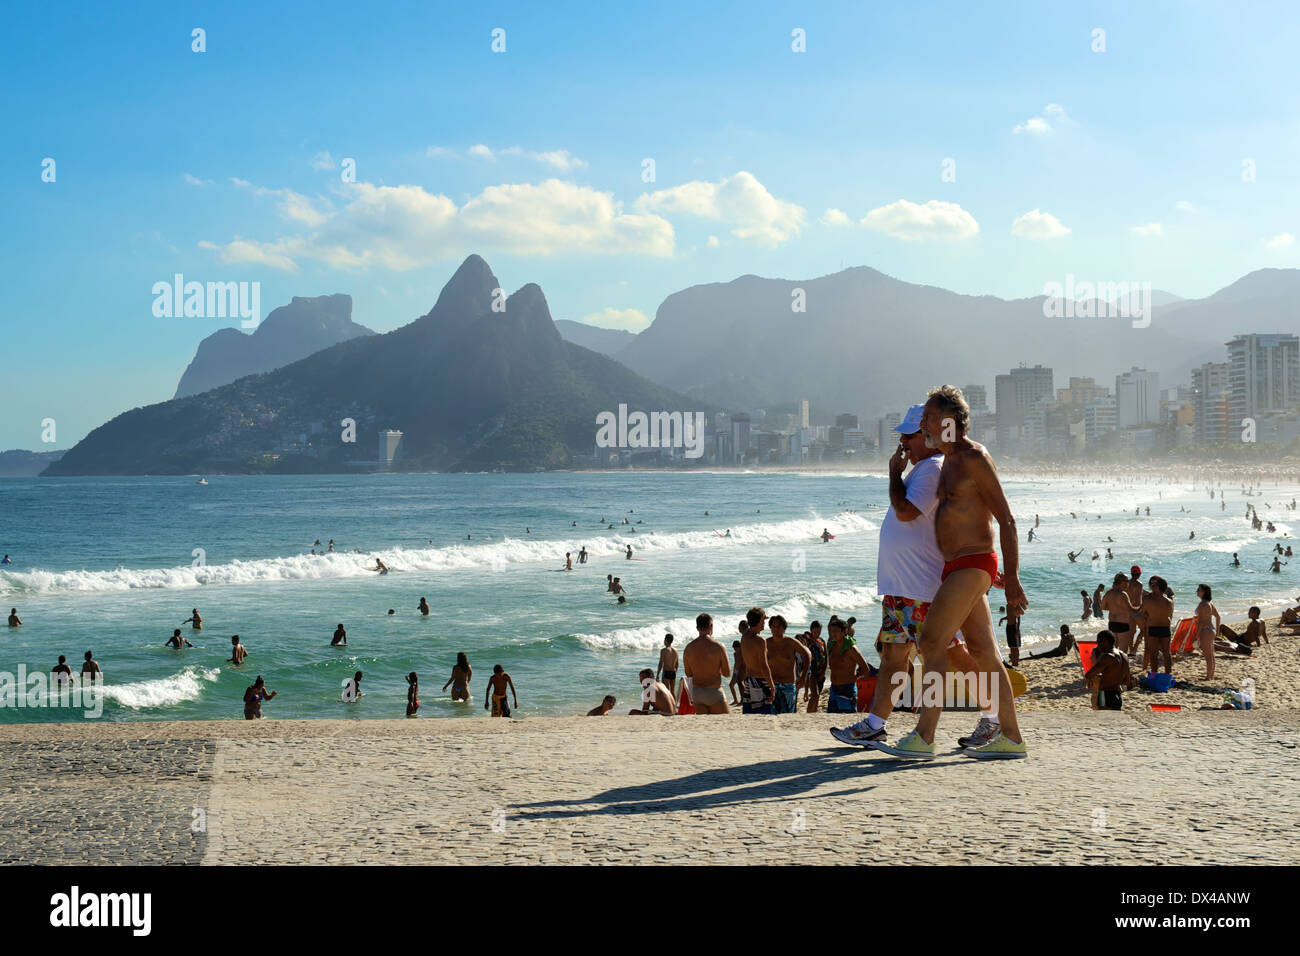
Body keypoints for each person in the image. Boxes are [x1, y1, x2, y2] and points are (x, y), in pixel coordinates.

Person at [872, 385, 1027, 760]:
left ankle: (924, 737)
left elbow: (1005, 518)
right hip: (958, 567)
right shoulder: (947, 459)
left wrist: (1012, 577)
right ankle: (1012, 738)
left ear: (949, 421)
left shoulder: (973, 457)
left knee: (930, 643)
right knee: (984, 654)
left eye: (927, 416)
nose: (922, 422)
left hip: (973, 564)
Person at [832, 406, 961, 743]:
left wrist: (893, 473)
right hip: (901, 588)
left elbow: (905, 512)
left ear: (930, 437)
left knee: (952, 656)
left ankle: (992, 715)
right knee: (893, 657)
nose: (902, 441)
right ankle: (875, 725)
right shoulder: (921, 470)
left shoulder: (932, 468)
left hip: (920, 587)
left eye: (909, 434)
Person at [683, 612, 731, 714]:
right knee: (725, 724)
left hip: (697, 692)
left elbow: (689, 674)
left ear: (697, 628)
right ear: (711, 626)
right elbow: (727, 673)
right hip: (714, 691)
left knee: (704, 727)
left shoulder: (688, 648)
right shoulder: (719, 647)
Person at [825, 618, 872, 714]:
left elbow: (865, 668)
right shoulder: (831, 646)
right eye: (831, 631)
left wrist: (855, 677)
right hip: (834, 688)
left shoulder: (851, 649)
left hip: (847, 689)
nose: (833, 633)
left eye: (836, 631)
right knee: (832, 719)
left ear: (844, 632)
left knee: (846, 720)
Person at [765, 614, 809, 714]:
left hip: (788, 685)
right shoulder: (766, 644)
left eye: (778, 626)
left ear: (784, 628)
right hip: (772, 685)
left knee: (788, 716)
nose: (775, 629)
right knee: (771, 716)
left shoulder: (791, 642)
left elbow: (807, 656)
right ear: (770, 628)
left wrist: (803, 677)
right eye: (773, 626)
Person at [1083, 630, 1133, 710]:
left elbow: (1089, 674)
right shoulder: (1124, 656)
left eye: (1099, 642)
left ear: (1105, 642)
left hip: (1105, 694)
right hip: (1117, 695)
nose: (1098, 645)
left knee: (1103, 721)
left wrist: (1091, 682)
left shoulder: (1108, 657)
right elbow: (1127, 681)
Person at [739, 607, 775, 714]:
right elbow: (764, 666)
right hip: (760, 682)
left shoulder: (744, 637)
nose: (764, 623)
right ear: (759, 621)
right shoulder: (760, 640)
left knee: (749, 715)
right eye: (763, 621)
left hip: (749, 680)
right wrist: (772, 686)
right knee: (763, 715)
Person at [1140, 575, 1174, 675]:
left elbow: (1143, 613)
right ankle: (1168, 674)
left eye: (1154, 585)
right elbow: (1169, 614)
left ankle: (1154, 674)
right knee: (1166, 653)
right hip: (1165, 627)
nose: (1152, 586)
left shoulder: (1148, 600)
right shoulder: (1169, 601)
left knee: (1153, 653)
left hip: (1153, 627)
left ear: (1158, 587)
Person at [1101, 572, 1139, 655]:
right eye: (1126, 581)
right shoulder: (1123, 594)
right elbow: (1131, 610)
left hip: (1112, 623)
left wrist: (1114, 608)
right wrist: (1141, 607)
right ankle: (1121, 667)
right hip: (1122, 624)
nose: (1128, 583)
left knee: (1112, 650)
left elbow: (1102, 607)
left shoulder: (1109, 593)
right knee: (1123, 652)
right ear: (1120, 582)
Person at [1194, 584, 1221, 681]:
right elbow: (1218, 617)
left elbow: (1201, 622)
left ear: (1204, 592)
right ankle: (1211, 675)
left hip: (1205, 630)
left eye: (1199, 590)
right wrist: (1217, 631)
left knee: (1208, 655)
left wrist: (1195, 635)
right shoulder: (1210, 603)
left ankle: (1208, 677)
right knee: (1211, 654)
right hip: (1211, 630)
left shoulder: (1203, 604)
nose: (1196, 591)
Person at [803, 621, 827, 712]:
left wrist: (823, 671)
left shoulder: (822, 641)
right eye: (815, 632)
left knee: (817, 696)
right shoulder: (807, 641)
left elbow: (826, 657)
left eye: (819, 632)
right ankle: (809, 713)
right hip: (811, 672)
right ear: (811, 630)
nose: (816, 634)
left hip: (820, 671)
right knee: (815, 694)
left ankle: (813, 713)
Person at [728, 639, 745, 705]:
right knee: (732, 685)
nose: (735, 649)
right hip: (737, 671)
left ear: (740, 647)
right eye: (734, 648)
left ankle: (742, 700)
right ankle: (736, 700)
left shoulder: (742, 653)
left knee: (739, 684)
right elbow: (736, 664)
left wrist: (736, 672)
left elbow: (742, 663)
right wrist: (735, 672)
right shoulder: (735, 654)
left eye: (736, 648)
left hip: (743, 670)